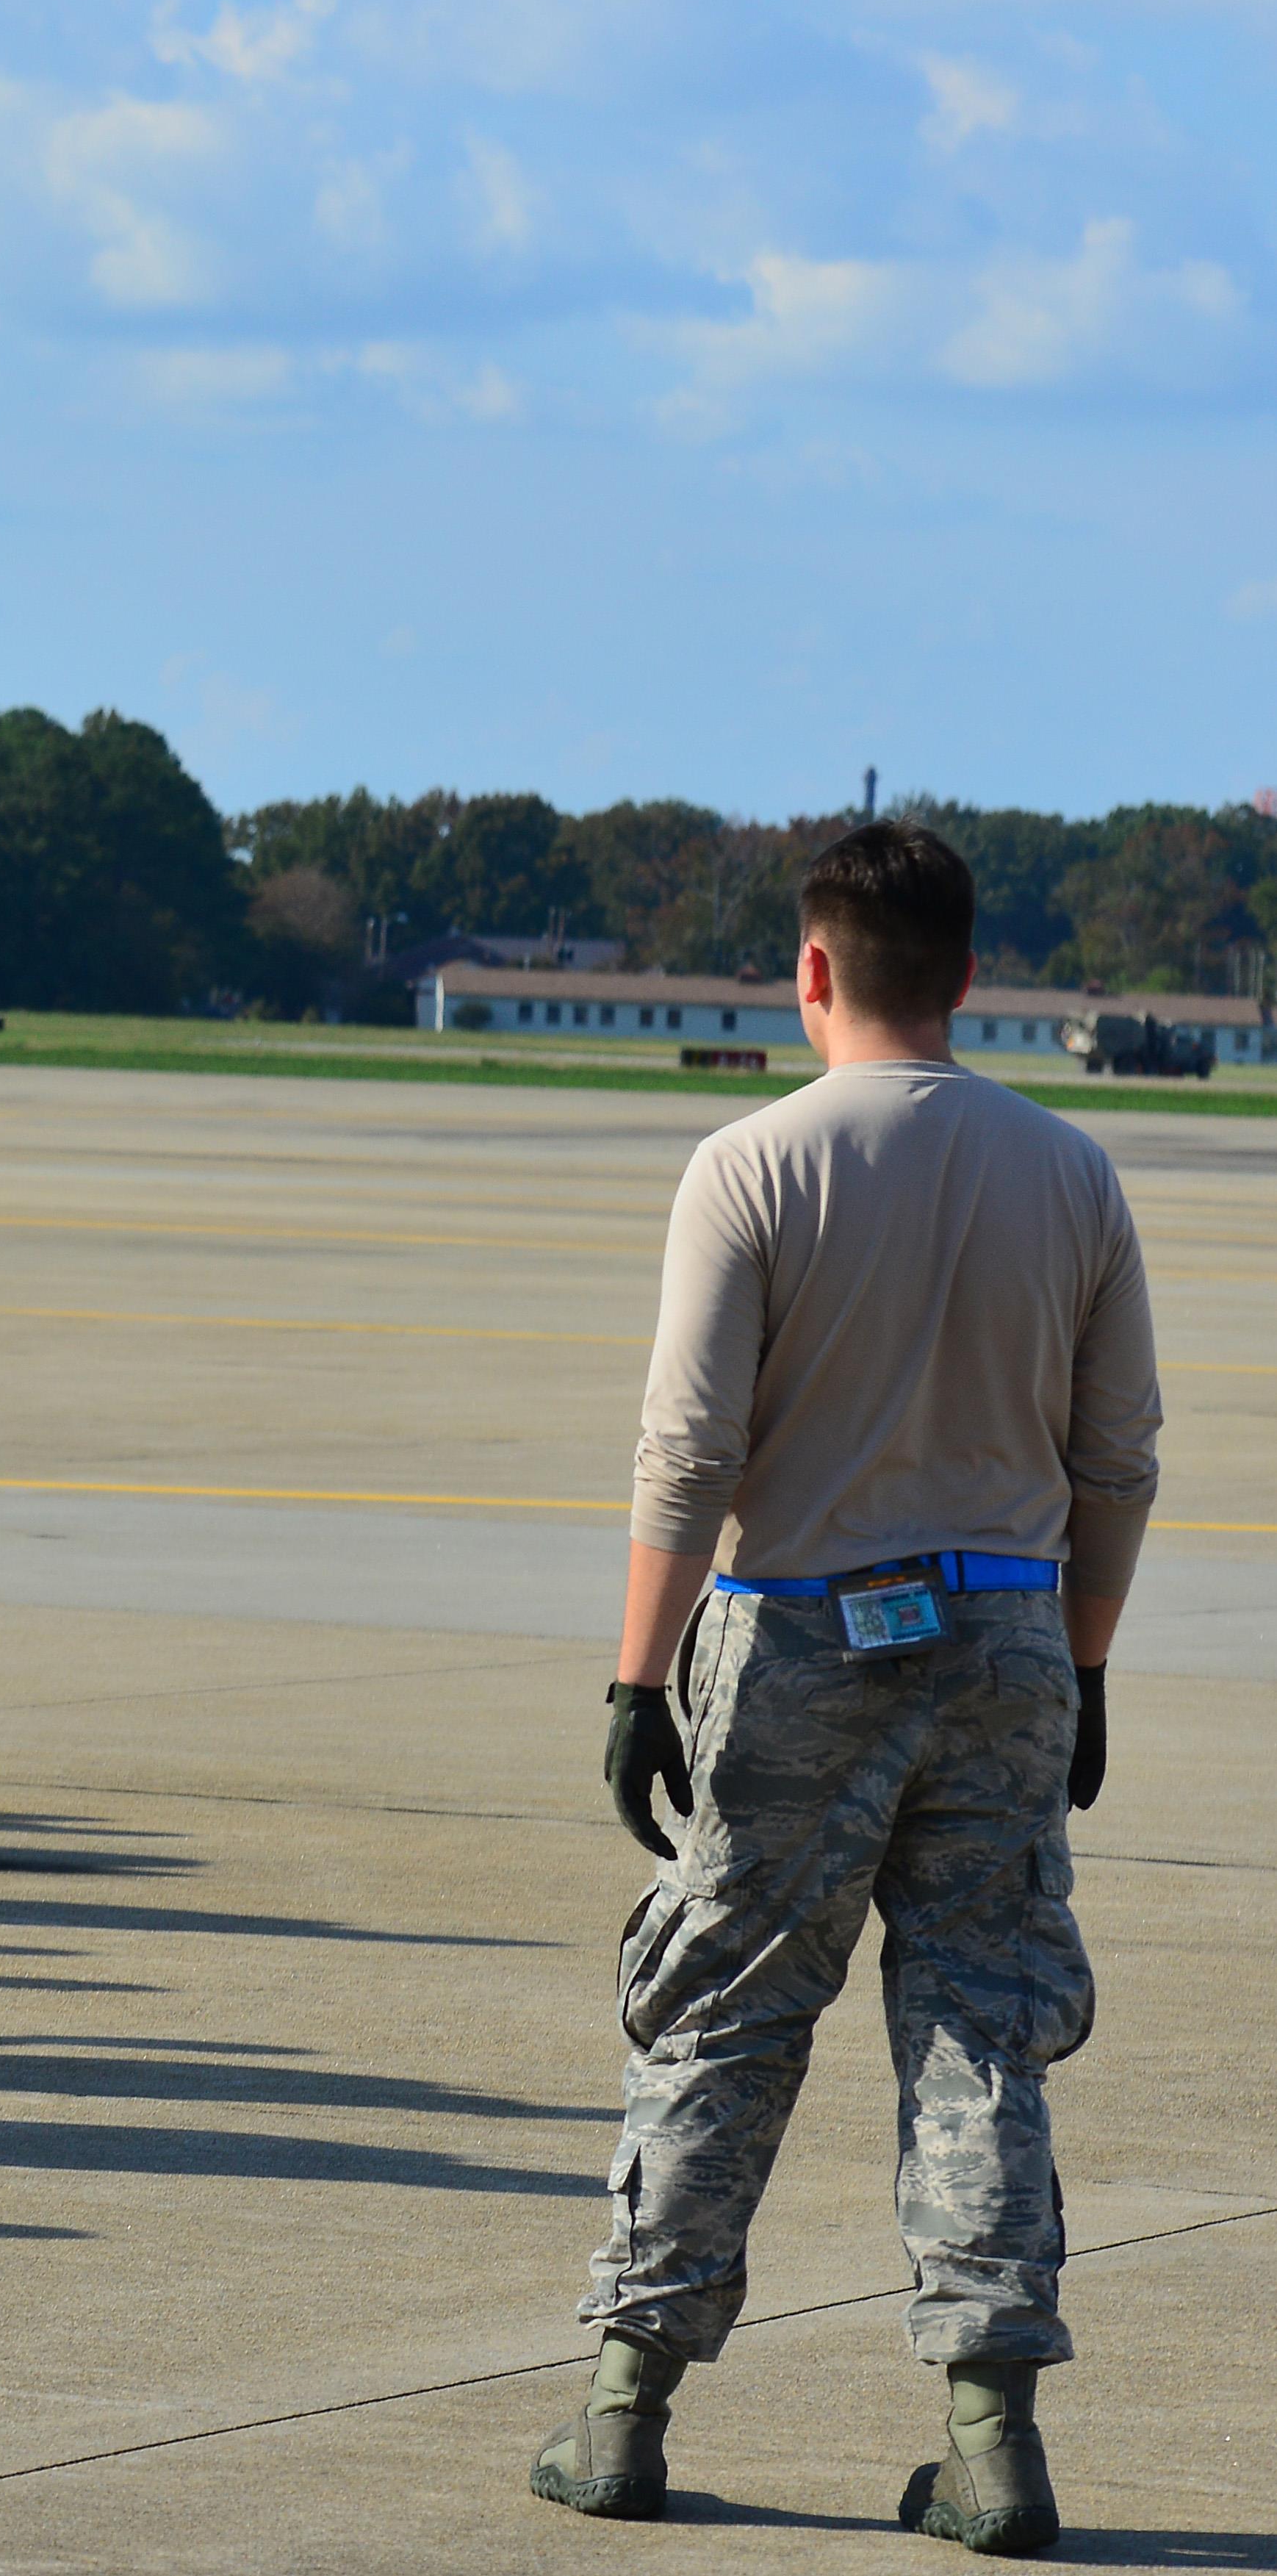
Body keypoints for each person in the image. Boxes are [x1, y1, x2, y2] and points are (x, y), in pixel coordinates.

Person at [528, 824, 1157, 2552]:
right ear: (967, 978)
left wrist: (638, 1672)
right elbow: (1120, 1461)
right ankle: (990, 2433)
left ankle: (622, 2414)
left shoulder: (747, 1166)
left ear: (810, 972)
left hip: (801, 1633)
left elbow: (688, 1447)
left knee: (722, 2011)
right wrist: (1082, 1662)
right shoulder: (1071, 1173)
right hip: (1011, 1636)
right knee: (981, 2024)